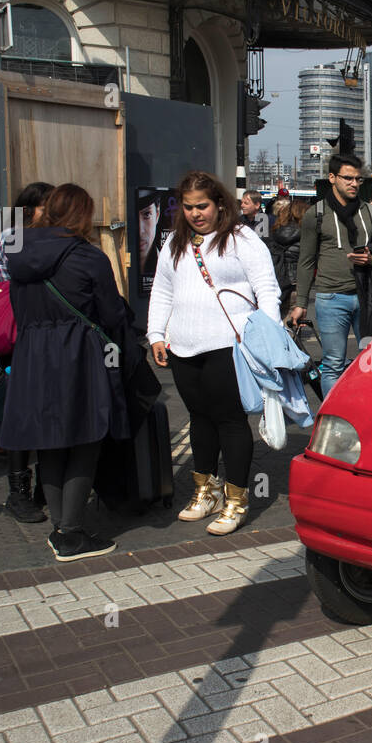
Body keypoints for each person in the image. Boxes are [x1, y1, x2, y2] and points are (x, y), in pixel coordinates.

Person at [1, 183, 130, 561]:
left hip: (31, 354)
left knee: (50, 442)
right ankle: (71, 534)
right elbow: (110, 313)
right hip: (77, 354)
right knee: (85, 439)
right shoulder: (87, 257)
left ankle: (61, 527)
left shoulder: (17, 250)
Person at [148, 171, 280, 535]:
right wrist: (156, 333)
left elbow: (266, 288)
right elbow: (162, 290)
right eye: (188, 207)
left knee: (231, 421)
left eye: (202, 206)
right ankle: (207, 492)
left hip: (229, 346)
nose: (195, 213)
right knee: (199, 420)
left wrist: (268, 335)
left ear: (219, 203)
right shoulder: (175, 240)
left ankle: (237, 500)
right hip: (183, 347)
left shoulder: (242, 238)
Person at [288, 153, 372, 397]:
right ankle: (334, 423)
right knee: (333, 364)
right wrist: (301, 303)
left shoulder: (371, 213)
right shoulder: (316, 214)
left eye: (358, 179)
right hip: (331, 298)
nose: (354, 184)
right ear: (332, 178)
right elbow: (306, 261)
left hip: (368, 296)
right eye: (348, 178)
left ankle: (368, 415)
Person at [0, 181, 54, 523]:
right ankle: (18, 492)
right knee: (21, 412)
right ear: (30, 209)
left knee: (47, 409)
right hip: (19, 336)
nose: (53, 212)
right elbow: (19, 278)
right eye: (47, 206)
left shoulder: (54, 237)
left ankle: (47, 484)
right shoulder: (14, 237)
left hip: (46, 336)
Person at [268, 197, 303, 317]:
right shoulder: (304, 234)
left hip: (277, 281)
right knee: (291, 323)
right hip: (295, 282)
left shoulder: (274, 231)